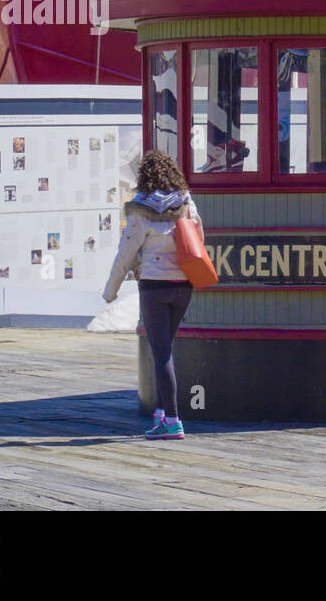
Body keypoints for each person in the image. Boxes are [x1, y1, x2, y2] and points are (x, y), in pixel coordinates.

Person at [103, 150, 202, 440]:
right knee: (166, 349)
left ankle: (172, 420)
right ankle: (161, 412)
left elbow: (126, 253)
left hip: (154, 285)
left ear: (144, 176)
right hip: (183, 284)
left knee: (160, 353)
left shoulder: (139, 209)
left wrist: (111, 291)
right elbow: (198, 238)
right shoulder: (186, 201)